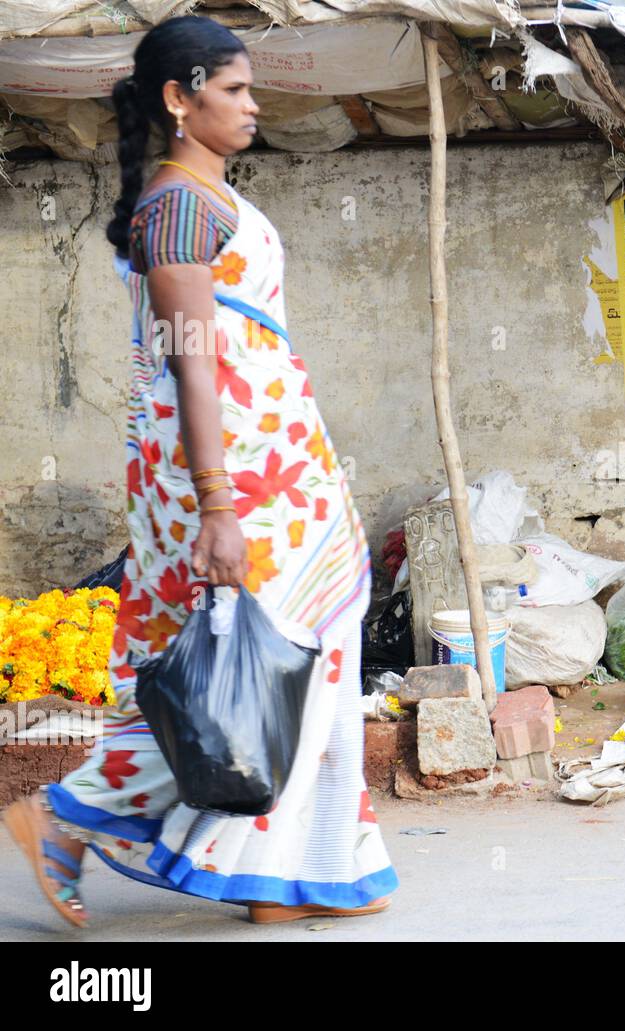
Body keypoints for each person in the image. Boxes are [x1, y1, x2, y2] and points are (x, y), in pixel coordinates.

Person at [2, 16, 396, 927]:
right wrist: (219, 504)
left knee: (289, 651)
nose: (254, 105)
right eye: (235, 90)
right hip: (231, 481)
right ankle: (69, 817)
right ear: (181, 99)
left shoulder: (204, 198)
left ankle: (282, 868)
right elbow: (191, 358)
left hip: (270, 469)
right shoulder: (179, 205)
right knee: (266, 653)